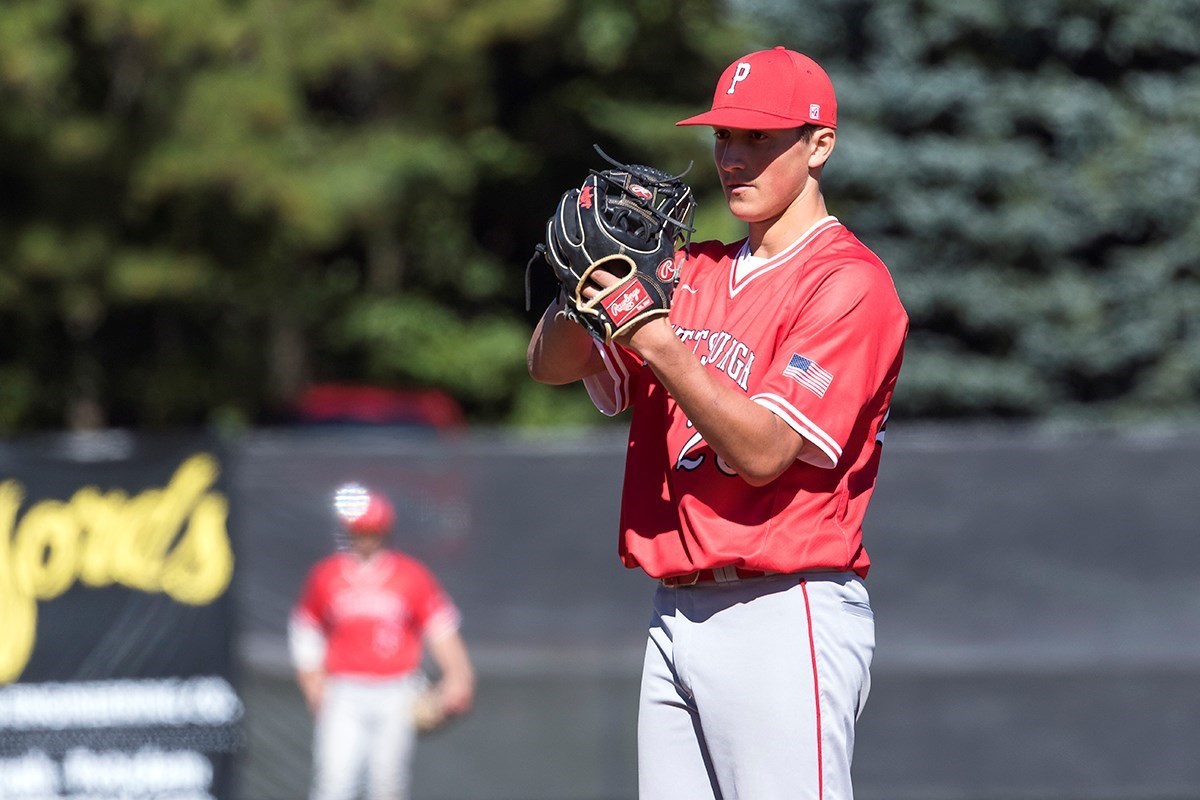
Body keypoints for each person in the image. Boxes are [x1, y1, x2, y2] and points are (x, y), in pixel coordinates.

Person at [527, 46, 908, 799]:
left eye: (759, 137)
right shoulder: (694, 270)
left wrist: (652, 334)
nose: (733, 157)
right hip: (675, 609)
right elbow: (550, 365)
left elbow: (765, 452)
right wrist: (584, 288)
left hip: (782, 609)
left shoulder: (847, 284)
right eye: (724, 136)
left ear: (819, 145)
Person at [288, 485, 474, 800]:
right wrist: (311, 679)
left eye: (372, 531)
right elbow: (305, 629)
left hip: (396, 689)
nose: (365, 538)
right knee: (334, 783)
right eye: (360, 531)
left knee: (388, 785)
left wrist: (459, 675)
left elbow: (441, 628)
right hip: (344, 690)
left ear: (385, 532)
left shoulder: (411, 575)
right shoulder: (327, 575)